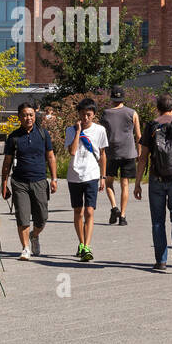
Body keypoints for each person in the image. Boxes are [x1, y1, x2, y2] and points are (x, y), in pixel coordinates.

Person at [133, 93, 172, 272]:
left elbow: (143, 157)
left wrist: (138, 183)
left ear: (157, 108)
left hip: (156, 178)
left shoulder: (151, 125)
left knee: (158, 221)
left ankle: (161, 261)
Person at [0, 102, 57, 260]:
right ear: (19, 117)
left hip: (39, 181)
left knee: (42, 218)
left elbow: (51, 157)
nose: (28, 118)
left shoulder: (43, 134)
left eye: (31, 115)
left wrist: (54, 179)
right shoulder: (13, 137)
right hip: (19, 183)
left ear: (35, 116)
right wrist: (4, 184)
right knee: (23, 217)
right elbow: (7, 163)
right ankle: (25, 248)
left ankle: (34, 235)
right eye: (25, 115)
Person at [65, 98, 108, 261]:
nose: (85, 118)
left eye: (89, 115)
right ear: (78, 114)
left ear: (94, 115)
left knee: (89, 211)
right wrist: (77, 131)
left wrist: (103, 176)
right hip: (74, 175)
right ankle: (81, 243)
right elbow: (72, 151)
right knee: (78, 211)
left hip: (92, 175)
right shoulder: (70, 130)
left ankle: (87, 246)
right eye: (82, 114)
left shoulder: (100, 130)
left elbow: (103, 155)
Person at [101, 87, 141, 226]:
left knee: (109, 182)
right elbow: (138, 135)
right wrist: (140, 152)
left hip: (111, 152)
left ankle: (114, 207)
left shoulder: (105, 113)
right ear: (124, 98)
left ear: (111, 98)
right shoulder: (132, 113)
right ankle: (123, 216)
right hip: (129, 152)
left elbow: (102, 133)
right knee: (125, 185)